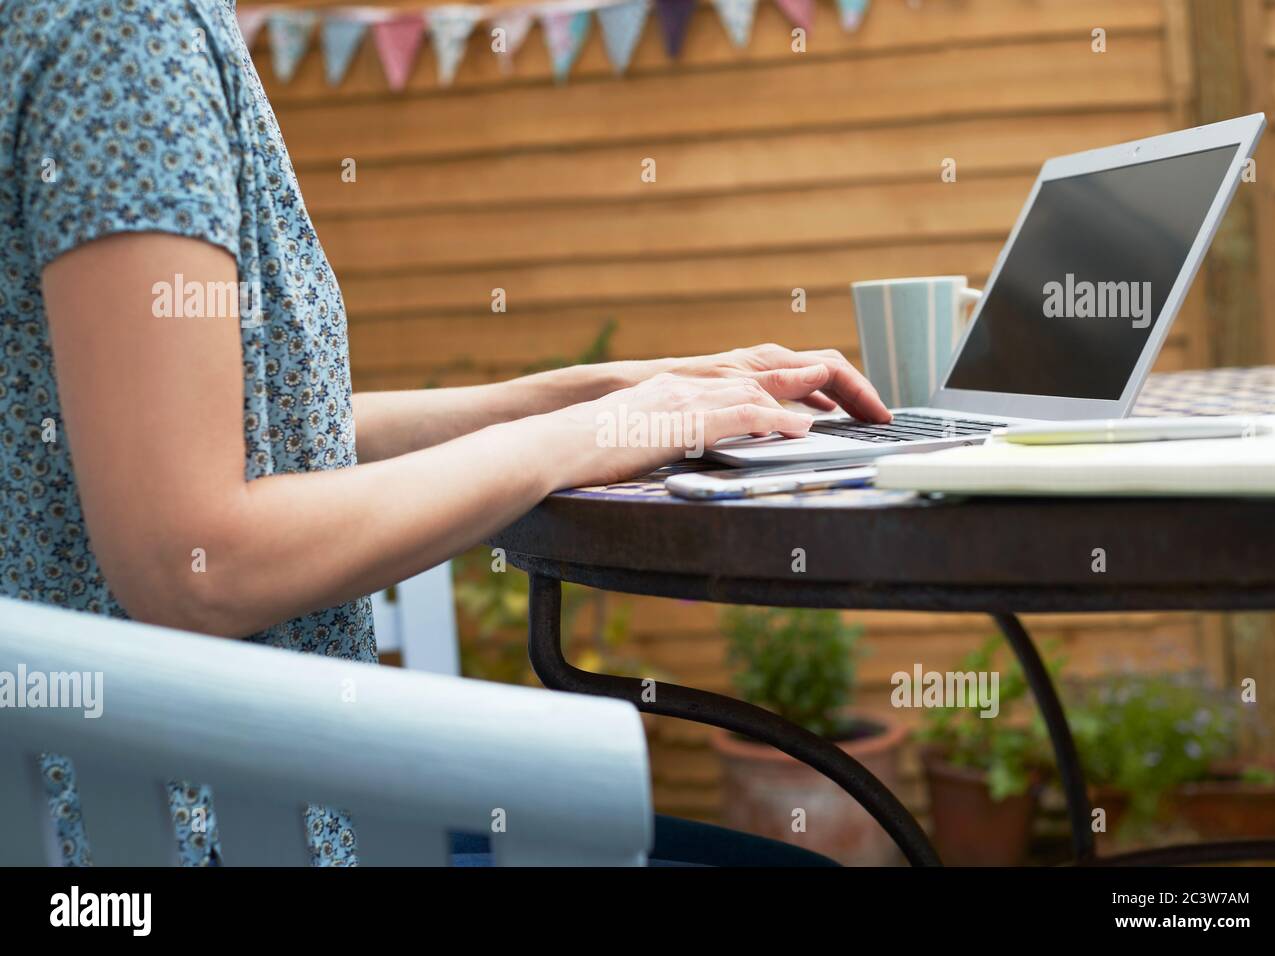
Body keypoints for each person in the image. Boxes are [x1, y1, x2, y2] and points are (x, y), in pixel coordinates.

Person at [0, 0, 888, 866]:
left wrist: (595, 394)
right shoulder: (124, 28)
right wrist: (587, 434)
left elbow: (248, 435)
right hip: (213, 828)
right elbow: (191, 557)